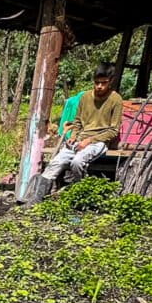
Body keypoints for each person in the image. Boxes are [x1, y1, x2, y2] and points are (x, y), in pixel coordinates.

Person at [27, 63, 125, 203]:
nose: (99, 86)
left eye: (103, 83)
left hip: (98, 142)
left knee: (78, 162)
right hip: (79, 139)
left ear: (111, 82)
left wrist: (89, 140)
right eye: (97, 83)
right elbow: (78, 121)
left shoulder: (116, 100)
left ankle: (79, 192)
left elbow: (113, 130)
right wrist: (73, 136)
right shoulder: (85, 97)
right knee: (55, 162)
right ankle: (36, 199)